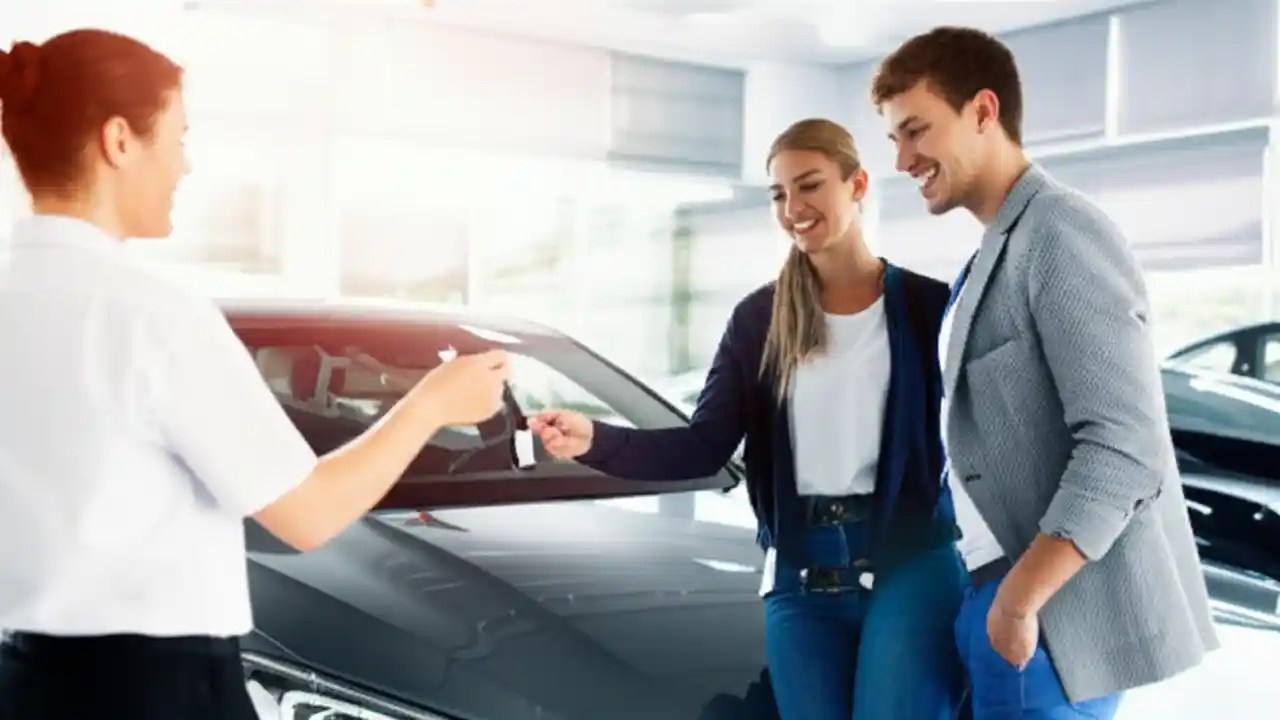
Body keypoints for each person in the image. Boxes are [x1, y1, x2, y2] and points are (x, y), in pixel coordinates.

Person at [0, 30, 509, 719]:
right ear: (119, 141)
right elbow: (306, 513)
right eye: (178, 138)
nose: (185, 166)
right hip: (157, 693)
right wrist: (432, 403)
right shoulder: (155, 316)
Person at [530, 118, 967, 720]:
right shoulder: (759, 319)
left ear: (858, 184)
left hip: (910, 562)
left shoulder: (929, 308)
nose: (794, 208)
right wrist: (594, 440)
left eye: (810, 186)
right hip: (801, 569)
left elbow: (989, 438)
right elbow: (704, 447)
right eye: (779, 194)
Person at [871, 26, 1219, 720]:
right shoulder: (990, 255)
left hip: (1045, 615)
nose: (904, 159)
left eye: (916, 131)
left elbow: (1124, 448)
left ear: (982, 111)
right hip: (990, 595)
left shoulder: (1059, 230)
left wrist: (1019, 599)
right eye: (894, 141)